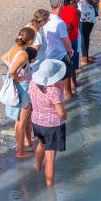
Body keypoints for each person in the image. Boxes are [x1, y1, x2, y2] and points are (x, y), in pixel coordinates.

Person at [29, 59, 68, 187]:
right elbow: (61, 113)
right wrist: (65, 116)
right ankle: (50, 186)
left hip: (37, 122)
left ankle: (37, 167)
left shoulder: (32, 84)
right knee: (50, 157)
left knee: (42, 143)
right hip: (52, 126)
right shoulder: (53, 91)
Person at [1, 27, 36, 158]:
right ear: (31, 40)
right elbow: (12, 72)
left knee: (23, 119)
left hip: (17, 87)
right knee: (20, 122)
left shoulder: (13, 49)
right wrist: (17, 77)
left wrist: (11, 66)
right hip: (23, 87)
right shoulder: (24, 54)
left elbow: (3, 57)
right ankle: (20, 152)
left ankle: (27, 142)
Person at [42, 0, 74, 99]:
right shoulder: (60, 23)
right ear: (61, 5)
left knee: (53, 82)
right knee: (66, 83)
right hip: (61, 55)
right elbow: (66, 41)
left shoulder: (46, 19)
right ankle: (68, 99)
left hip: (49, 54)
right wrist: (70, 50)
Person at [71, 0, 97, 67]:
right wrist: (94, 2)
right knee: (85, 34)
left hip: (81, 9)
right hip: (86, 10)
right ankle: (84, 58)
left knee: (84, 34)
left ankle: (85, 55)